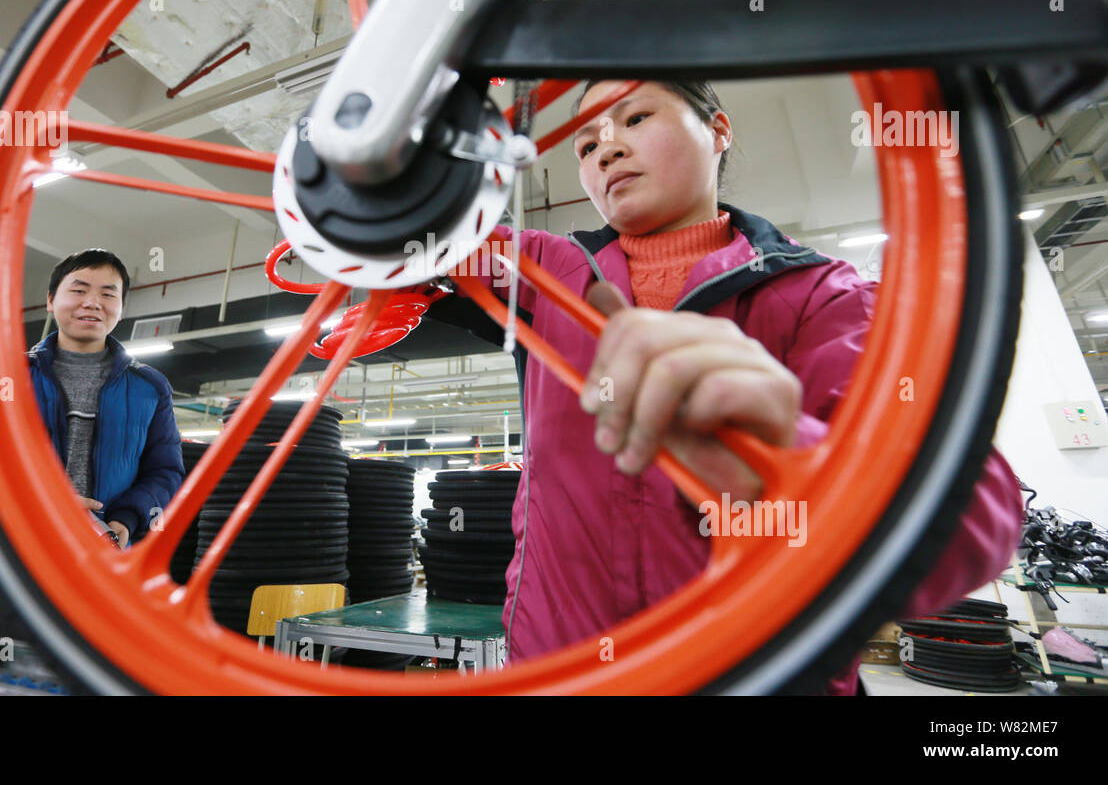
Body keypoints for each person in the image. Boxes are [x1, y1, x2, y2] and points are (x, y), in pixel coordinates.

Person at [436, 79, 1024, 694]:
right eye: (584, 147)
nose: (604, 151)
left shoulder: (824, 296)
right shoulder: (551, 270)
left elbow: (974, 515)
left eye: (635, 117)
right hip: (561, 673)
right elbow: (424, 238)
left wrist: (796, 451)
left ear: (718, 131)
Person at [0, 249, 185, 597]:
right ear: (50, 300)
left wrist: (126, 520)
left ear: (121, 307)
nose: (93, 302)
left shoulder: (150, 388)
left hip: (97, 571)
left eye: (108, 293)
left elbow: (165, 472)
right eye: (79, 289)